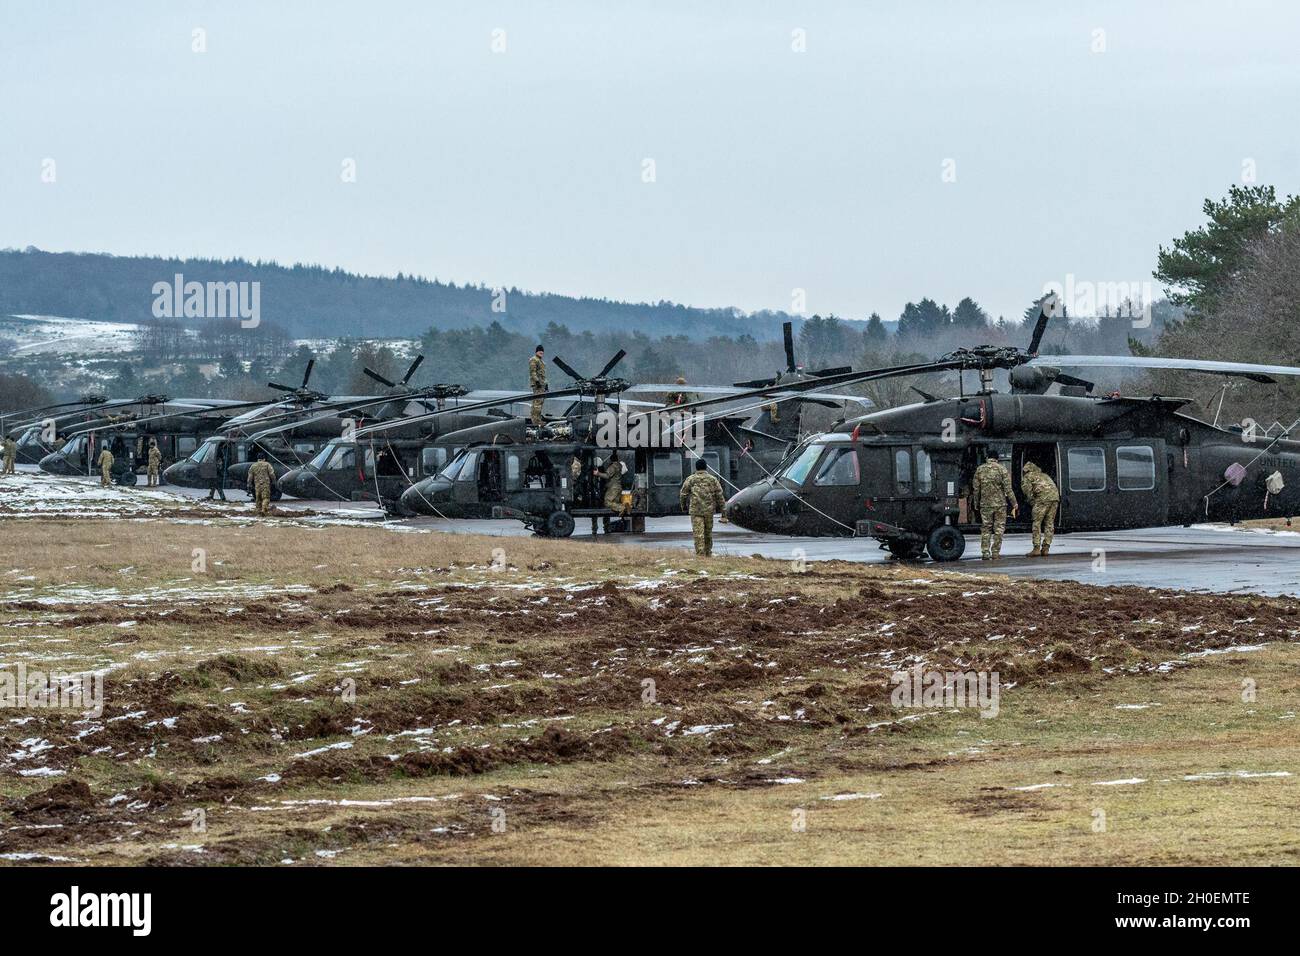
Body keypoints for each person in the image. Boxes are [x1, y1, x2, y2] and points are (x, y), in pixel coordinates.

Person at [972, 449, 1017, 560]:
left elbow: (976, 489)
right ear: (997, 458)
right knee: (999, 529)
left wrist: (976, 503)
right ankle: (995, 552)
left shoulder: (980, 470)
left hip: (985, 505)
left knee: (986, 528)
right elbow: (1008, 489)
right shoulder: (1002, 469)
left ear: (987, 457)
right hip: (1000, 505)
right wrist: (1014, 503)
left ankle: (985, 552)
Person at [679, 458, 726, 556]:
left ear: (696, 468)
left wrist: (683, 506)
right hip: (709, 511)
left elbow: (683, 494)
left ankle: (700, 555)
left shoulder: (691, 479)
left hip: (696, 511)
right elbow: (720, 496)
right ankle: (708, 553)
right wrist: (723, 512)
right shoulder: (713, 479)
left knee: (698, 534)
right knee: (708, 534)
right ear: (706, 467)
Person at [1021, 461, 1060, 557]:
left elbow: (1027, 492)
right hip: (1054, 498)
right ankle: (1046, 548)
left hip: (1042, 499)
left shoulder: (1028, 477)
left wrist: (1031, 502)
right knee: (1049, 523)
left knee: (1037, 523)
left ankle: (1036, 548)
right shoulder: (1044, 475)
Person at [600, 452, 625, 516]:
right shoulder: (619, 465)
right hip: (619, 487)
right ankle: (622, 508)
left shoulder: (613, 466)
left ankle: (622, 507)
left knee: (607, 502)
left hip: (613, 488)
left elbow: (607, 476)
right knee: (614, 504)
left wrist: (598, 473)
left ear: (611, 459)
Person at [528, 345, 547, 426]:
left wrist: (546, 384)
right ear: (536, 352)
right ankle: (536, 421)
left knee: (540, 402)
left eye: (542, 352)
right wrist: (537, 381)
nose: (541, 353)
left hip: (542, 384)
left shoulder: (541, 361)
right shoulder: (534, 360)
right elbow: (533, 372)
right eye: (540, 351)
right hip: (537, 385)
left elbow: (543, 374)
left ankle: (537, 419)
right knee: (537, 403)